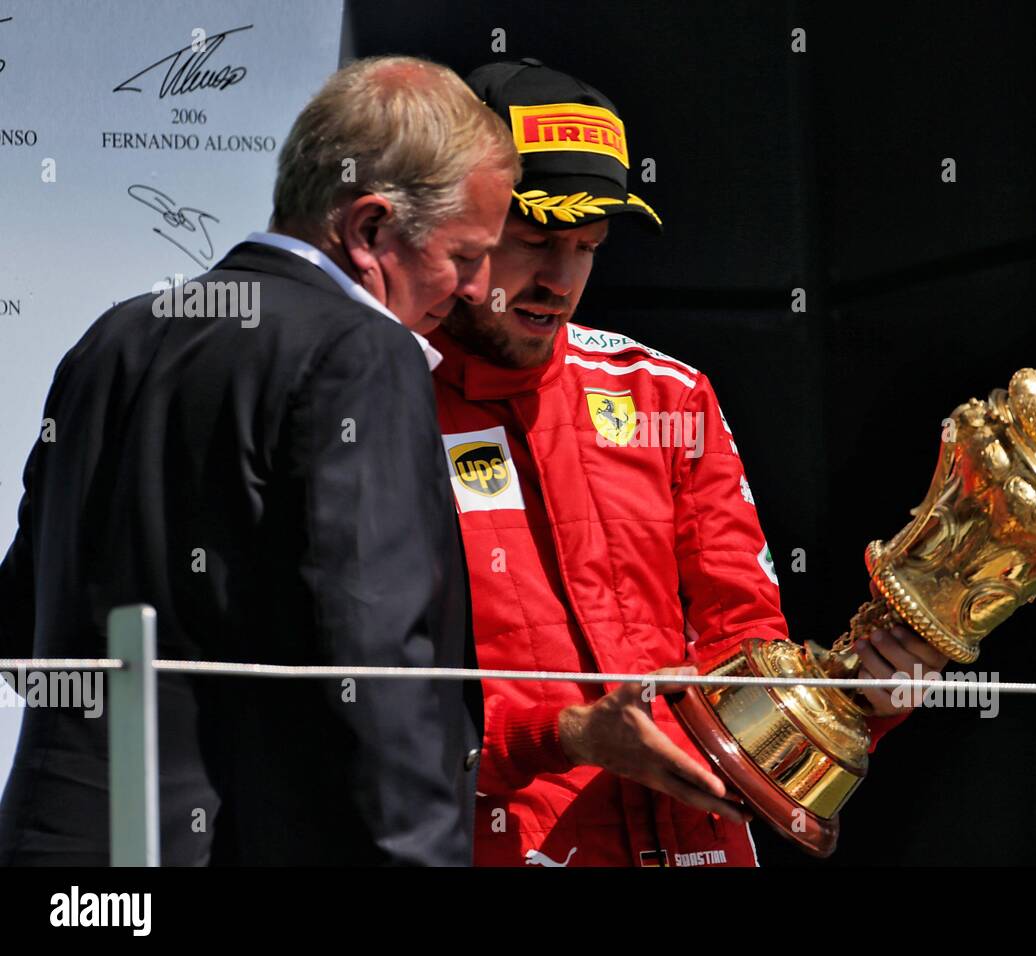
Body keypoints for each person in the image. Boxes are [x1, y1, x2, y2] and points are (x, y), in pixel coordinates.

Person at [425, 59, 949, 867]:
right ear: (458, 222)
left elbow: (744, 648)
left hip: (701, 846)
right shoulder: (379, 403)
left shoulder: (666, 396)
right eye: (531, 241)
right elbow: (358, 703)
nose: (559, 282)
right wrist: (564, 734)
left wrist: (865, 700)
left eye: (588, 247)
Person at [0, 55, 517, 865]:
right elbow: (378, 660)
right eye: (467, 255)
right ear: (370, 228)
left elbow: (24, 622)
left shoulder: (114, 336)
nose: (482, 288)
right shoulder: (362, 352)